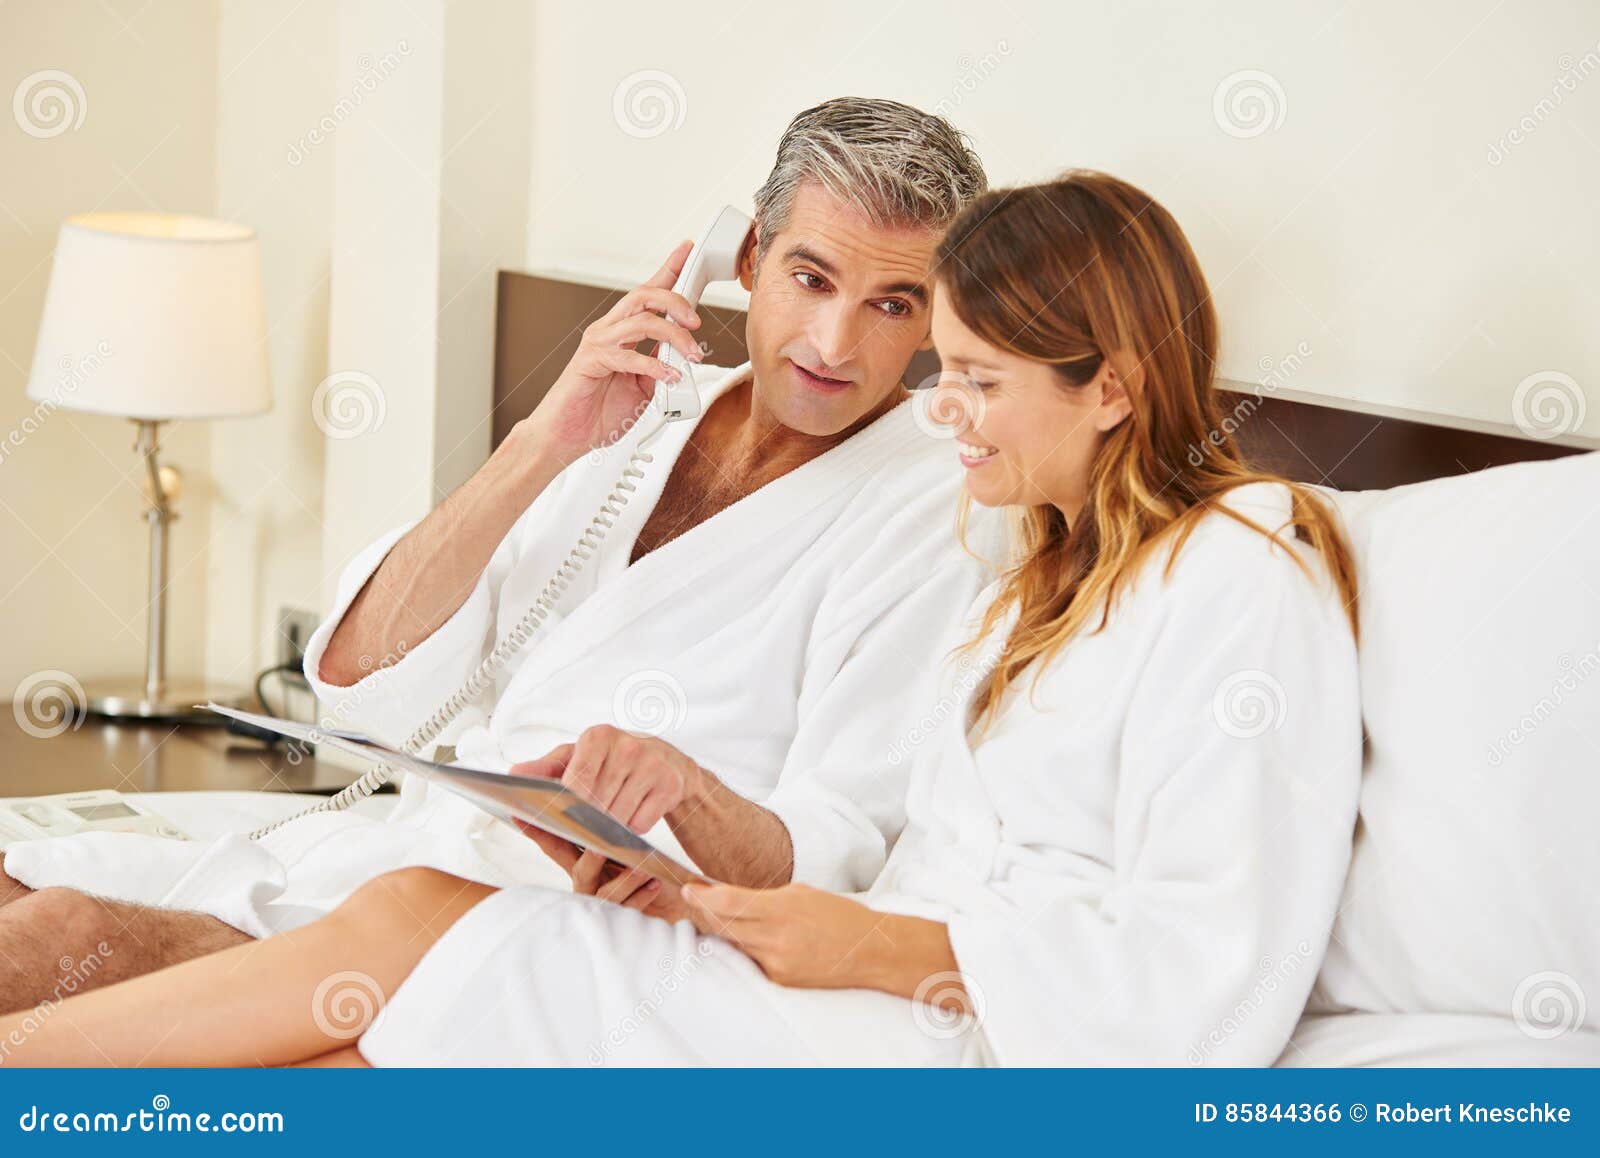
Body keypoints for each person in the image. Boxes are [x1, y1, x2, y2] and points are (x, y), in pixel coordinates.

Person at [0, 170, 1364, 1067]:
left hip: (961, 1021)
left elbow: (1211, 972)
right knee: (309, 964)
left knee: (396, 958)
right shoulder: (1044, 571)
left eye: (965, 371)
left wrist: (843, 933)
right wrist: (708, 892)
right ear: (745, 259)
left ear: (1114, 387)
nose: (928, 402)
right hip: (827, 951)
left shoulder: (1243, 566)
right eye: (942, 369)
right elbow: (359, 680)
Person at [0, 97, 995, 1011]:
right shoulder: (651, 409)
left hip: (566, 916)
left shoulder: (936, 508)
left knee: (61, 933)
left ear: (940, 319)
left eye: (893, 304)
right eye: (810, 278)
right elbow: (360, 680)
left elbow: (832, 860)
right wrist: (544, 442)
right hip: (406, 845)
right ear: (745, 258)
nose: (833, 341)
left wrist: (684, 792)